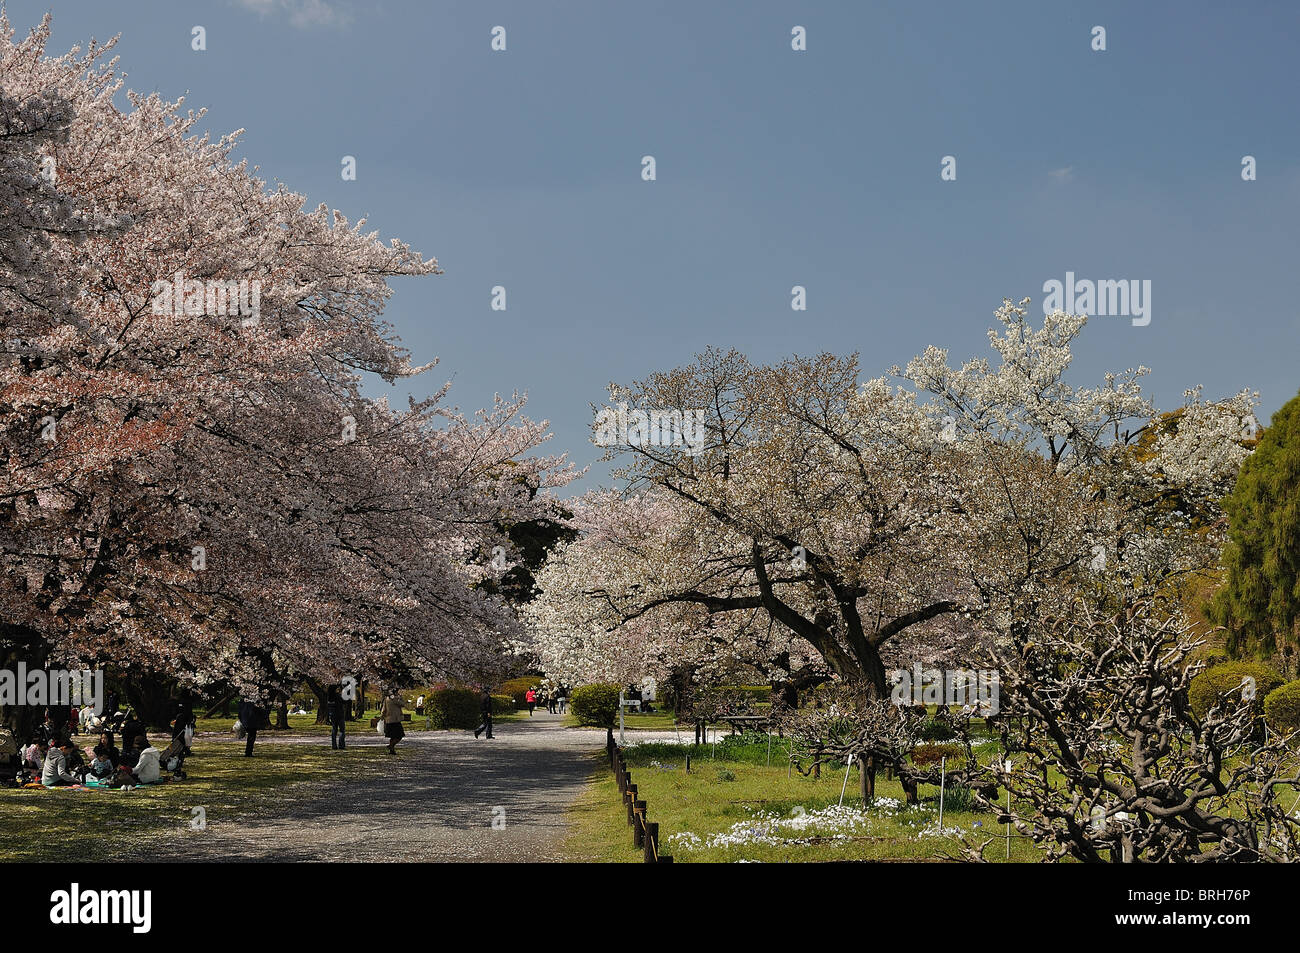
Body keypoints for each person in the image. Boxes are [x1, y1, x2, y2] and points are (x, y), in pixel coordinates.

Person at [381, 690, 405, 755]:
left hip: (389, 719)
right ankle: (391, 746)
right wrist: (401, 697)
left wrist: (382, 717)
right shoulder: (395, 699)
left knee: (393, 736)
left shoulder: (386, 699)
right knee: (399, 736)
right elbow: (402, 704)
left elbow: (384, 709)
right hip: (395, 720)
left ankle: (392, 750)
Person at [326, 684, 347, 750]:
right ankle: (341, 745)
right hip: (340, 715)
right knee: (342, 730)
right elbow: (344, 701)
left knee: (334, 730)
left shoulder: (329, 697)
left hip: (332, 715)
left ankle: (334, 745)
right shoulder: (338, 696)